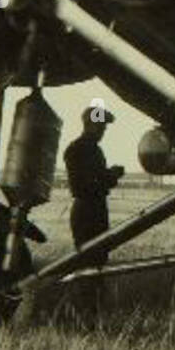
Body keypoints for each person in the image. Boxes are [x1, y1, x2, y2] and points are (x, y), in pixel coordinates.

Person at [64, 105, 124, 268]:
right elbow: (82, 186)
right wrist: (111, 176)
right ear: (90, 125)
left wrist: (109, 176)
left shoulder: (90, 149)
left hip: (94, 210)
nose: (103, 132)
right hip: (88, 212)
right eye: (100, 127)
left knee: (97, 260)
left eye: (103, 128)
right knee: (89, 262)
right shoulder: (79, 149)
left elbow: (95, 179)